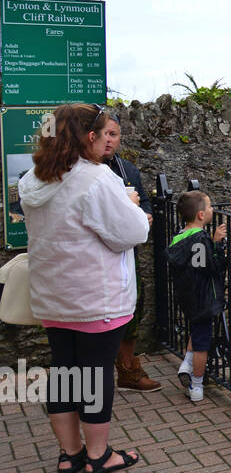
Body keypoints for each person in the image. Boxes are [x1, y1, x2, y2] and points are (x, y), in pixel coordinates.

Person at [18, 103, 149, 473]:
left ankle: (69, 453)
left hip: (53, 297)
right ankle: (98, 455)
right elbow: (132, 233)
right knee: (93, 374)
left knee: (63, 372)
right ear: (89, 136)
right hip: (96, 298)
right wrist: (131, 206)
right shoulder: (96, 179)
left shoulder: (35, 178)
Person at [98, 111, 161, 392]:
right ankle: (97, 375)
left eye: (114, 135)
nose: (108, 140)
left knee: (133, 308)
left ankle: (127, 370)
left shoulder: (128, 170)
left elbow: (145, 201)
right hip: (97, 257)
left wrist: (145, 215)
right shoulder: (83, 171)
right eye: (104, 134)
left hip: (127, 256)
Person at [166, 190, 227, 402]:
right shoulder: (200, 240)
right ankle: (197, 385)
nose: (212, 210)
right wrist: (217, 244)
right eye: (209, 207)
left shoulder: (178, 237)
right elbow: (208, 268)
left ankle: (186, 365)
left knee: (197, 331)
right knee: (202, 343)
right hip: (203, 298)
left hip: (187, 297)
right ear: (201, 215)